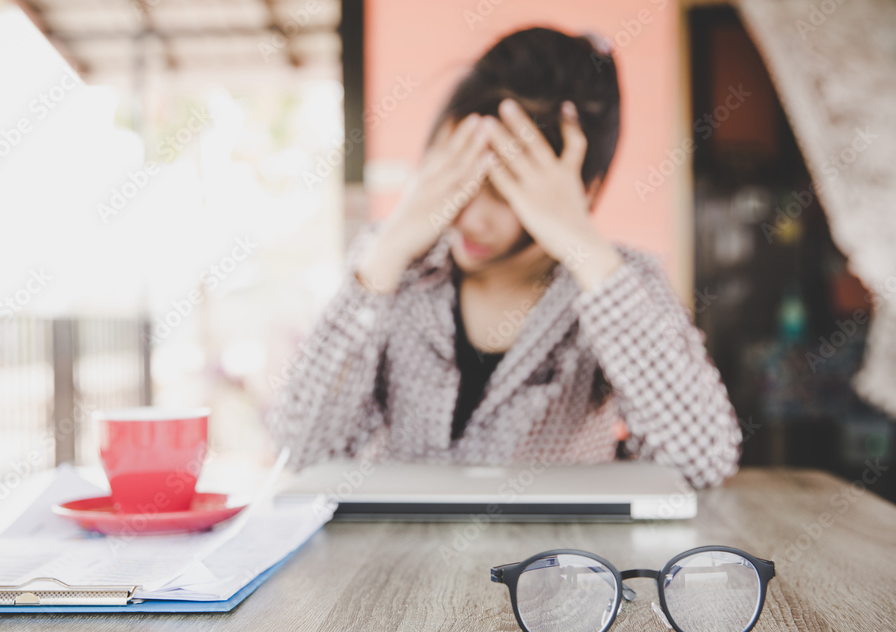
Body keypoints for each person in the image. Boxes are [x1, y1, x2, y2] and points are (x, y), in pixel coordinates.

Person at [269, 26, 742, 488]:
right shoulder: (392, 263)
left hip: (551, 562)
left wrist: (585, 248)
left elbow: (702, 461)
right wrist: (384, 257)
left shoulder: (621, 282)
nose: (471, 216)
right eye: (459, 173)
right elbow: (302, 453)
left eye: (506, 191)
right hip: (396, 561)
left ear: (584, 192)